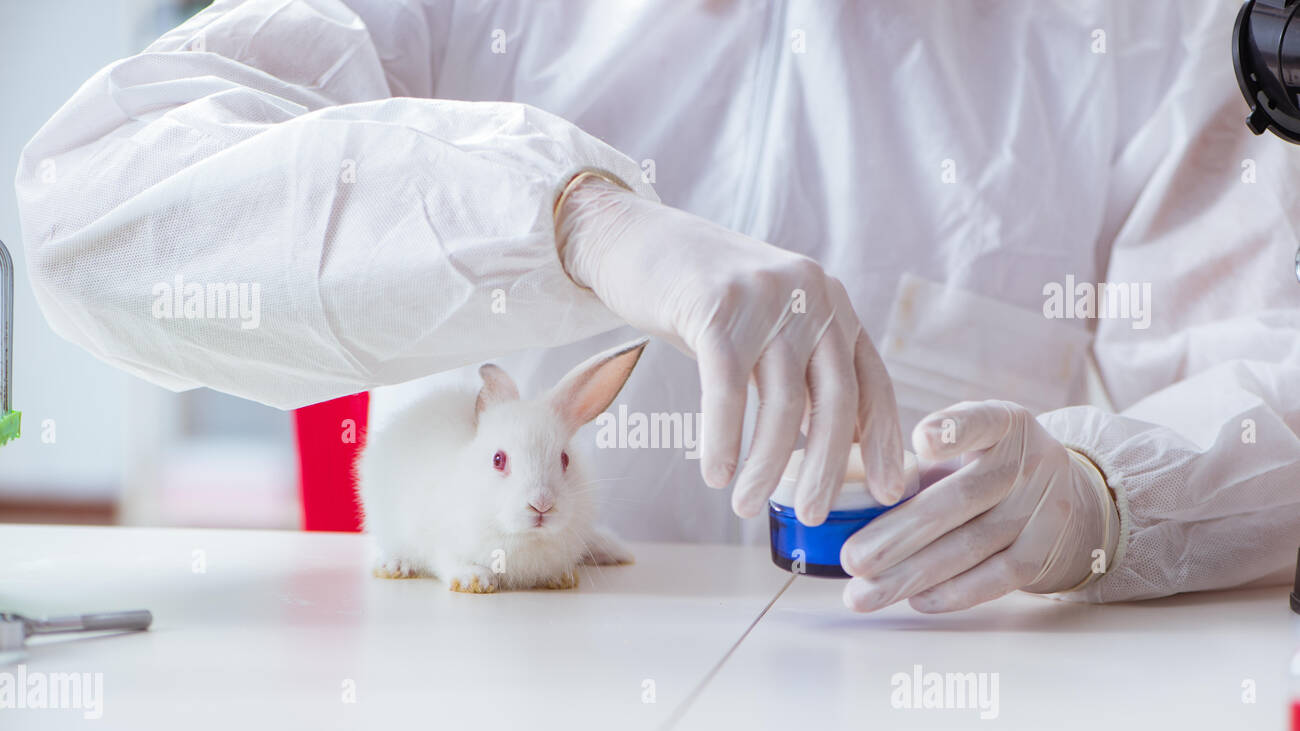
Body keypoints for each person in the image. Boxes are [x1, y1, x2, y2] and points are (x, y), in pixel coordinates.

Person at [15, 0, 1300, 611]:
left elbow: (1269, 374)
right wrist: (573, 217)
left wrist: (1104, 496)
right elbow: (85, 208)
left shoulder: (1140, 36)